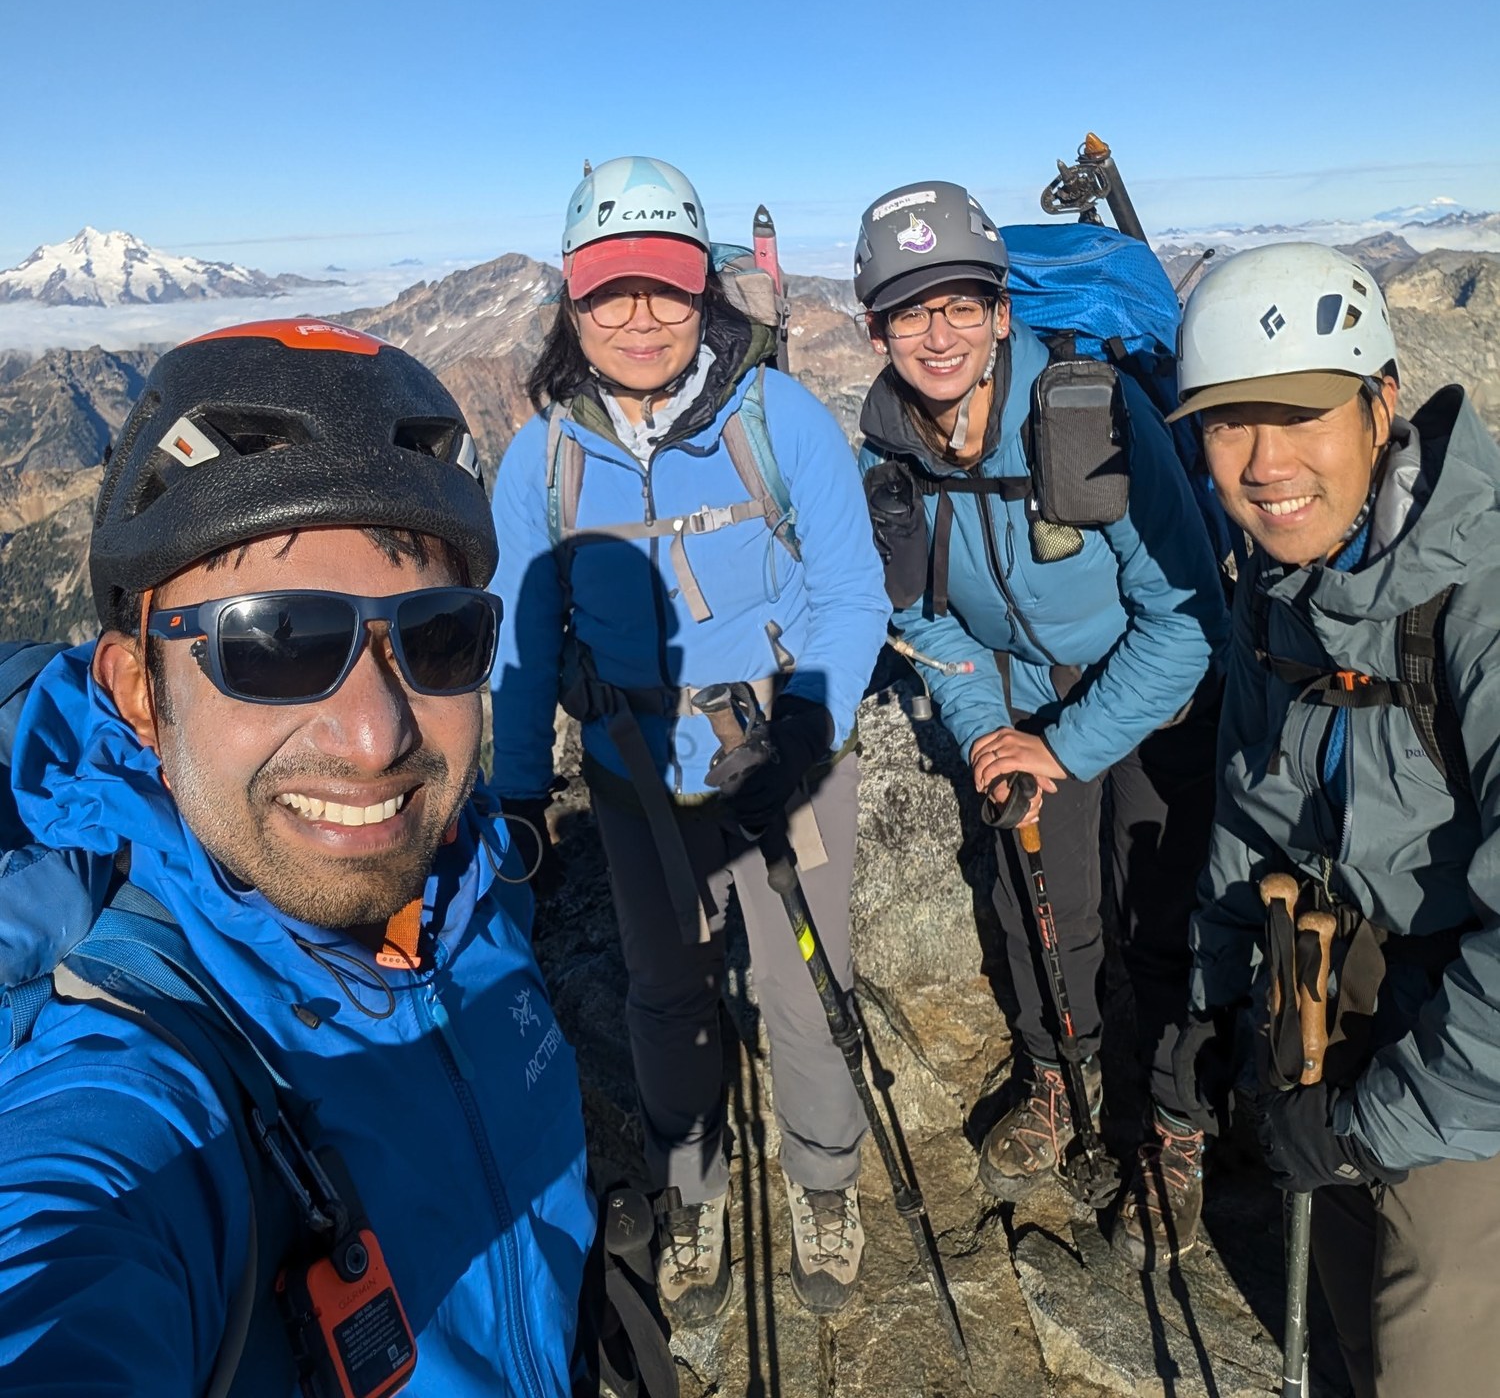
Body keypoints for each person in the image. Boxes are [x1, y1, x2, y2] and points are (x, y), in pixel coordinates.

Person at [0, 318, 593, 1394]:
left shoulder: (465, 880)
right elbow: (63, 1253)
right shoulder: (137, 1073)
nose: (377, 737)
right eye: (273, 641)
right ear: (139, 691)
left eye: (440, 634)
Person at [491, 155, 888, 1324]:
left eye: (665, 288)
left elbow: (851, 590)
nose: (640, 317)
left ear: (704, 289)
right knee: (666, 991)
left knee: (803, 979)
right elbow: (524, 640)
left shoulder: (775, 416)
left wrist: (807, 739)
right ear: (573, 302)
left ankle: (822, 1175)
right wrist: (518, 795)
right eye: (611, 291)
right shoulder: (545, 457)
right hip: (632, 769)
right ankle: (692, 1182)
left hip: (784, 750)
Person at [852, 181, 1229, 1265]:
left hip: (1152, 687)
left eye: (962, 304)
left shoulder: (1090, 416)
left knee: (1161, 908)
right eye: (912, 311)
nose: (939, 333)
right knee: (1038, 906)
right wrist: (985, 727)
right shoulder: (890, 457)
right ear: (876, 328)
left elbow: (1188, 620)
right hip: (1023, 691)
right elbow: (925, 618)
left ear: (1004, 311)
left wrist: (1061, 744)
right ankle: (1059, 1074)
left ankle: (1173, 1124)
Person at [1173, 243, 1500, 1398]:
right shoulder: (1278, 579)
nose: (1266, 465)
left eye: (1301, 412)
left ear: (1382, 405)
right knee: (1349, 1313)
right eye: (1227, 425)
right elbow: (1252, 798)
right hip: (1342, 974)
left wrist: (1374, 1128)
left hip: (1476, 1026)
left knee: (1430, 1347)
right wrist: (1213, 994)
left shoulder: (1480, 604)